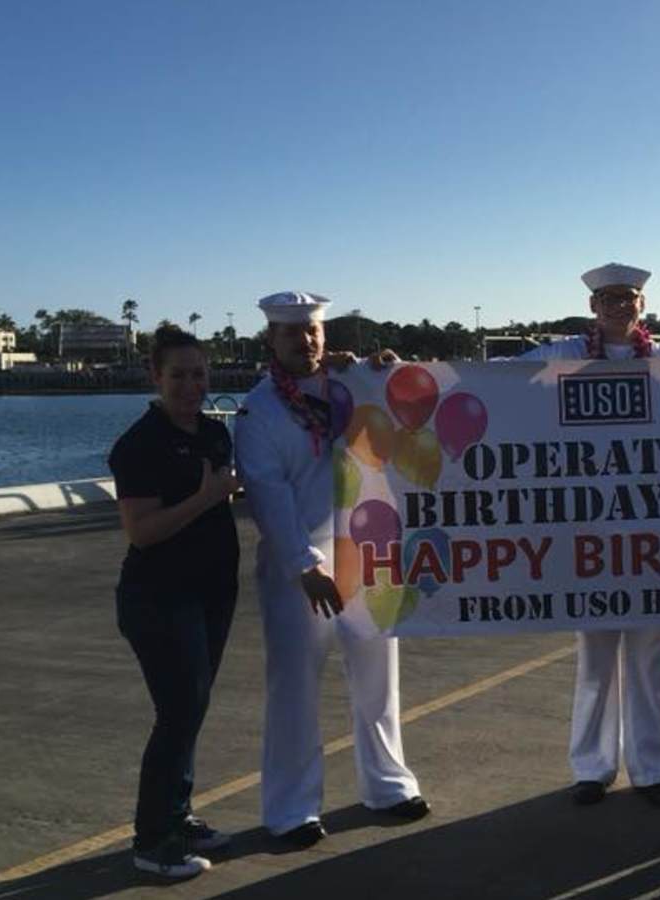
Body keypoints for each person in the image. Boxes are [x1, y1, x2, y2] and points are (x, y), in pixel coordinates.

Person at [235, 291, 428, 850]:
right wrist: (303, 564)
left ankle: (388, 785)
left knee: (377, 678)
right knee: (294, 686)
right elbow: (268, 495)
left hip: (367, 553)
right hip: (300, 564)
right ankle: (292, 809)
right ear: (271, 339)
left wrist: (390, 371)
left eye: (314, 330)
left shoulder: (352, 385)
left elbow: (405, 422)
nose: (307, 340)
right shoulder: (259, 410)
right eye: (292, 332)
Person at [518, 263, 660, 809]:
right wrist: (392, 370)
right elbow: (494, 377)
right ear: (593, 307)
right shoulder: (565, 351)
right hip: (586, 531)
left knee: (650, 658)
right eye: (609, 298)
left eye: (630, 297)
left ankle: (656, 770)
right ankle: (591, 767)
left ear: (644, 305)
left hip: (651, 531)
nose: (620, 306)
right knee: (594, 658)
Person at [109, 325, 239, 878]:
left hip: (211, 593)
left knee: (193, 709)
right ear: (155, 377)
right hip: (159, 598)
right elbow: (142, 531)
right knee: (178, 710)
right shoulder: (140, 445)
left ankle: (178, 815)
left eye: (199, 374)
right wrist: (207, 496)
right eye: (178, 375)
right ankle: (152, 839)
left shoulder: (213, 433)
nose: (191, 385)